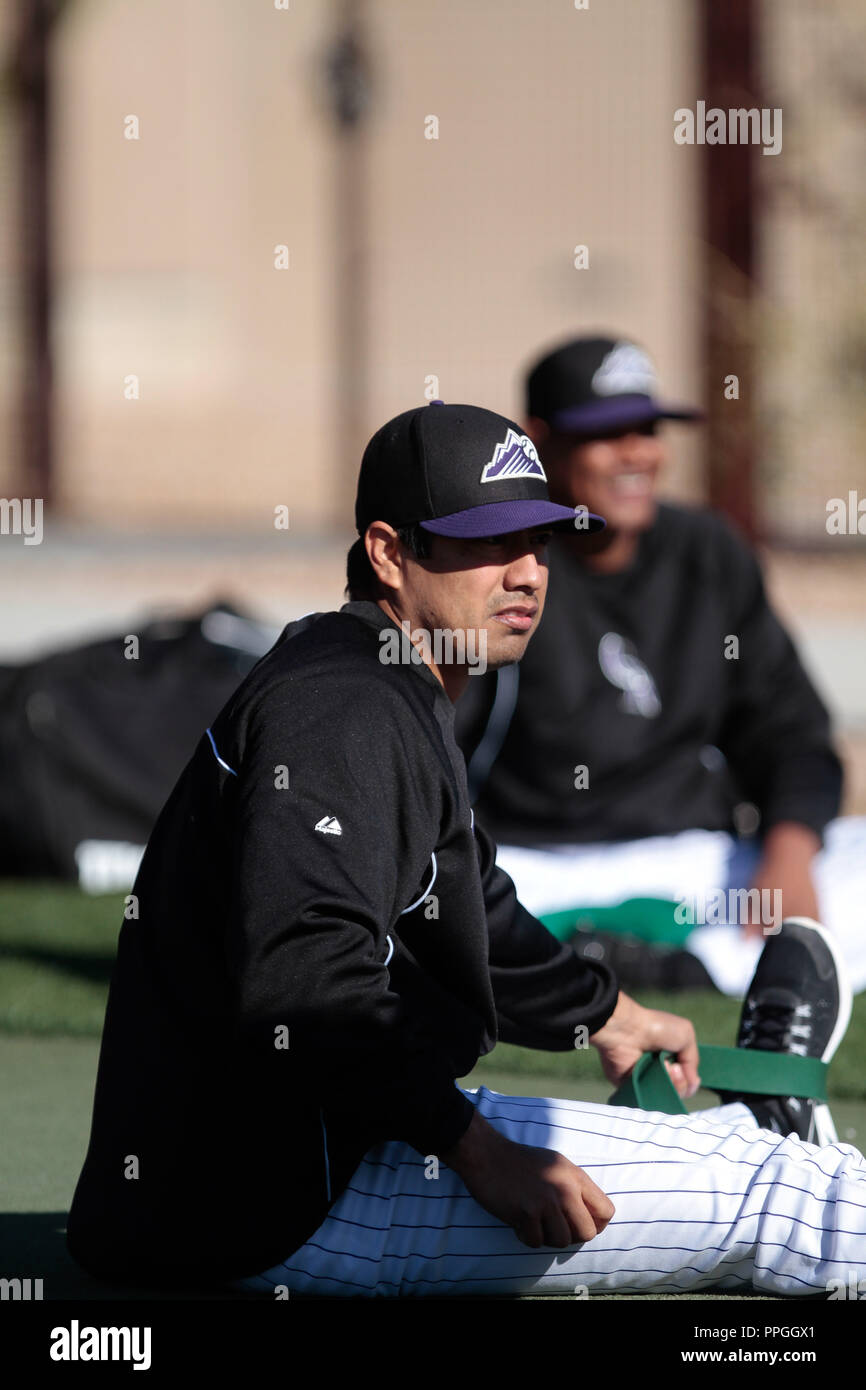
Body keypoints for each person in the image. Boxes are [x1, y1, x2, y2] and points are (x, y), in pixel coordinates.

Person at [67, 401, 864, 1298]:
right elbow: (310, 988)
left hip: (284, 1170)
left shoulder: (376, 673)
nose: (527, 572)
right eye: (489, 542)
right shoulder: (344, 710)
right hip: (278, 1209)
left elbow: (462, 898)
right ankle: (762, 1140)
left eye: (542, 540)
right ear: (387, 551)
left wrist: (604, 1014)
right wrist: (482, 1155)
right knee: (794, 1197)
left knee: (755, 1179)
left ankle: (754, 1124)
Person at [455, 336, 865, 999]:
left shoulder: (707, 552)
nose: (637, 452)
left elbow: (791, 730)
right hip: (534, 869)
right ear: (539, 440)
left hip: (690, 866)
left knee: (854, 860)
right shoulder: (506, 563)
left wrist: (790, 857)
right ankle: (642, 961)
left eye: (647, 428)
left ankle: (640, 963)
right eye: (605, 433)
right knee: (423, 905)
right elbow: (433, 746)